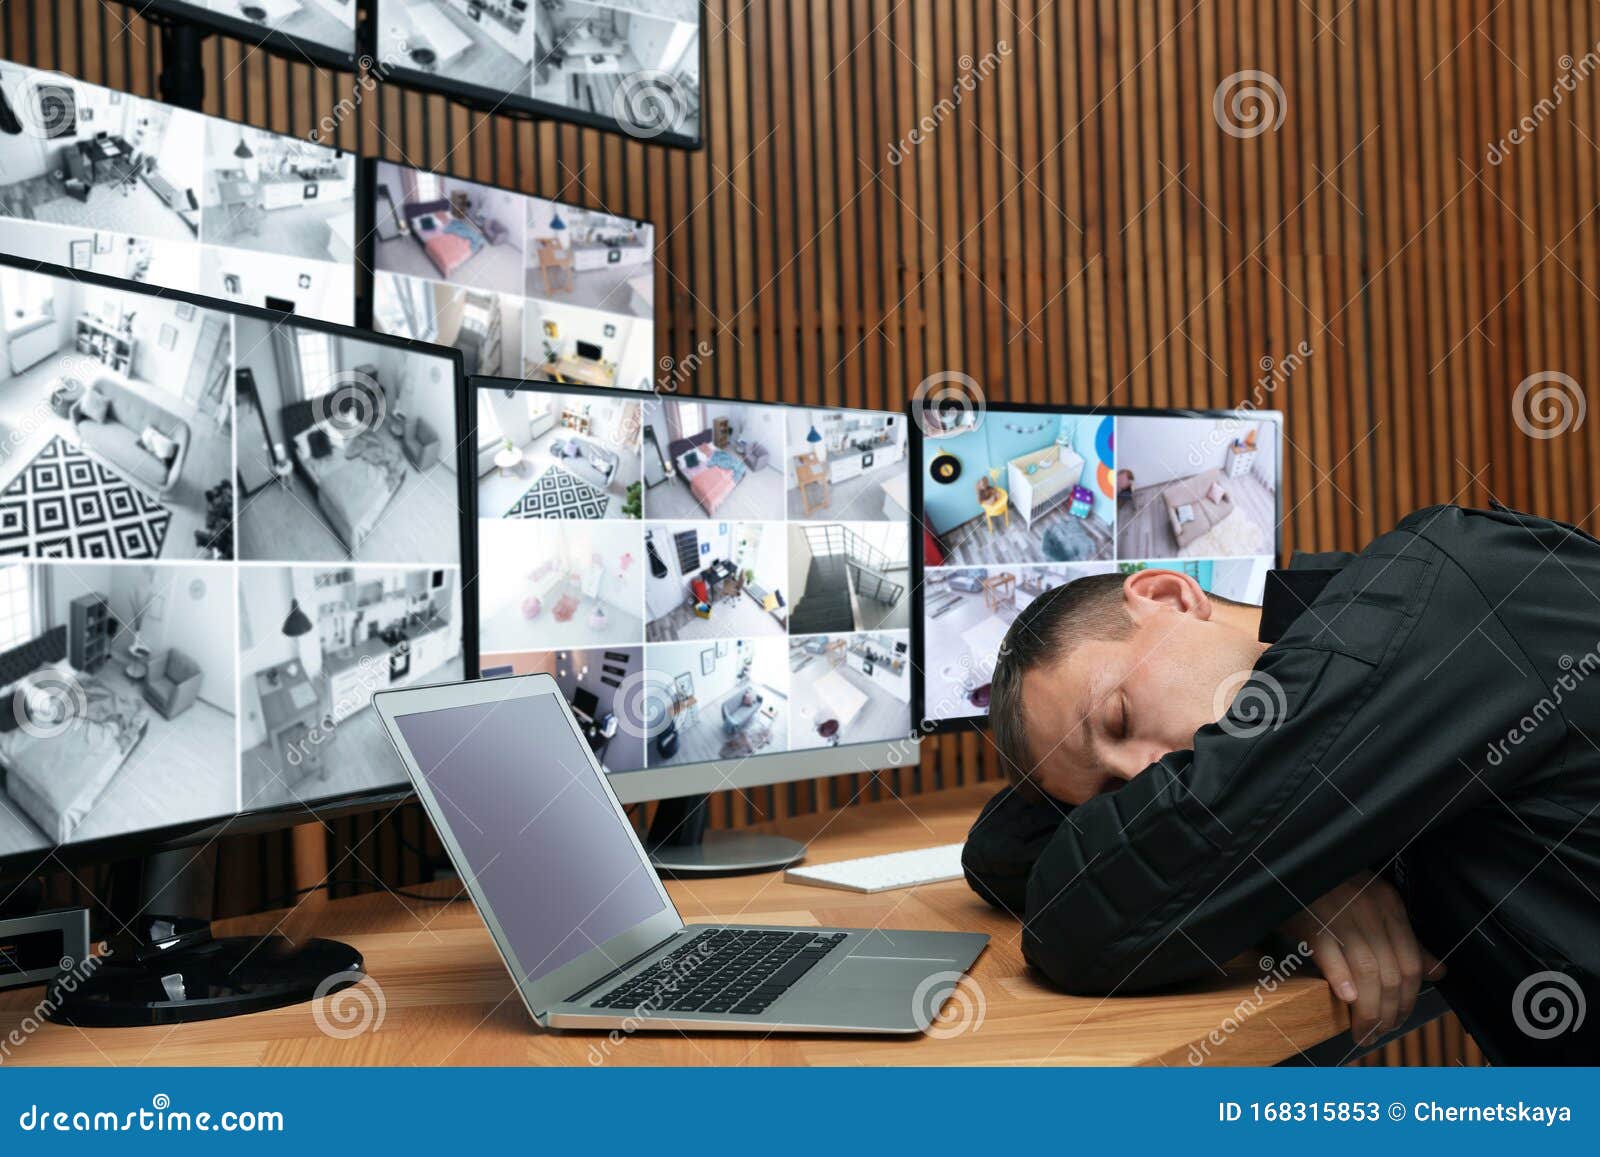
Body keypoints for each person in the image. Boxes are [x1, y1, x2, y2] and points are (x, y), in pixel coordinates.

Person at [963, 503, 1600, 1064]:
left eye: (1119, 718)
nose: (1146, 775)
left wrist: (1257, 864)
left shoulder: (1436, 599)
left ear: (1170, 597)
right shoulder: (1320, 701)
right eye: (1109, 790)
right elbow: (997, 852)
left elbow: (1076, 929)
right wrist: (1290, 883)